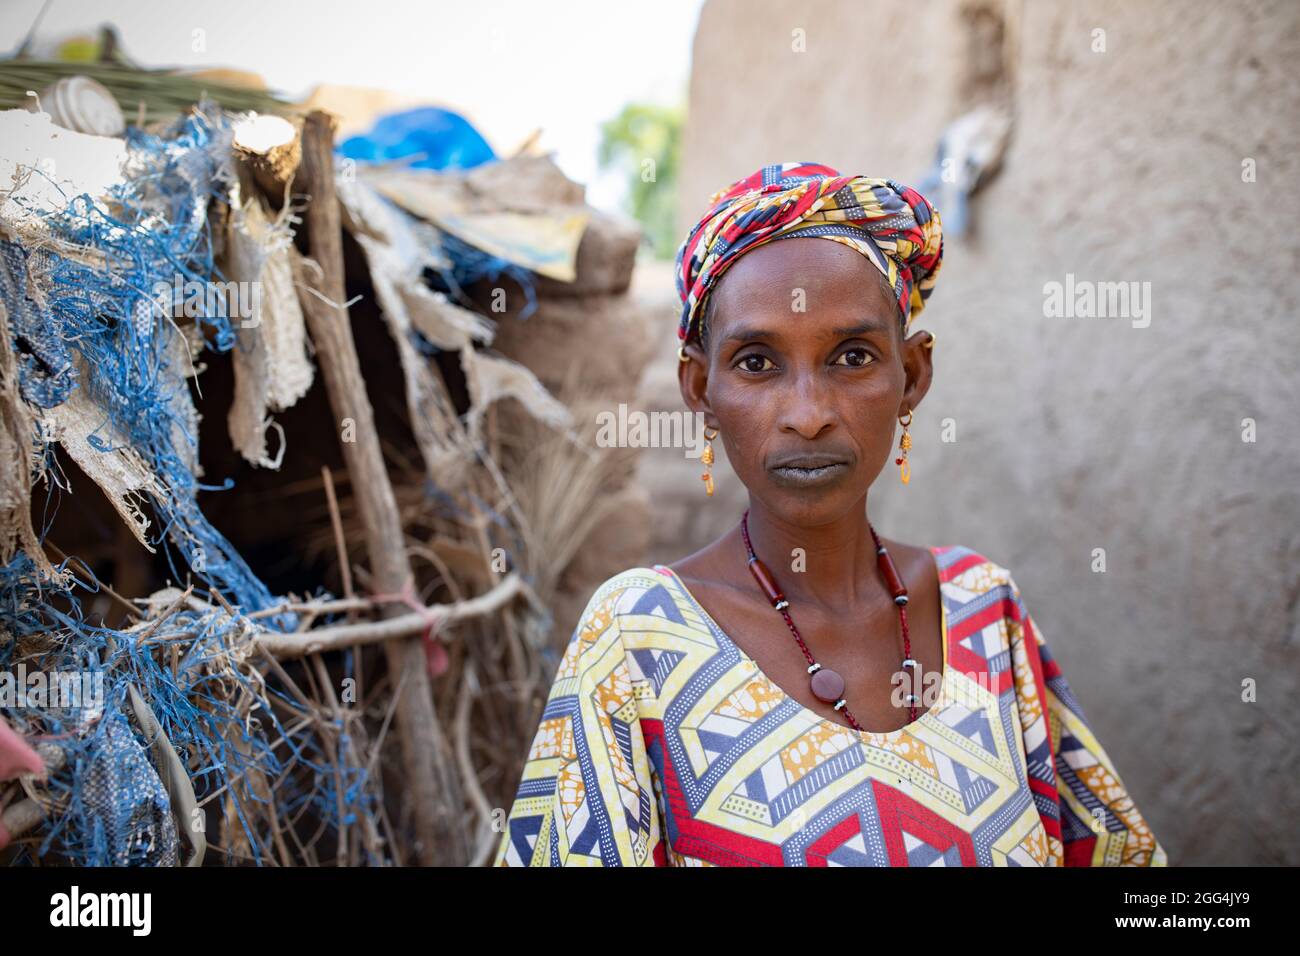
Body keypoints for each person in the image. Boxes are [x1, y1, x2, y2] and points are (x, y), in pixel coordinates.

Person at [493, 162, 1166, 867]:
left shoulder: (982, 609)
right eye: (757, 363)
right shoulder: (639, 640)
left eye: (851, 356)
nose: (809, 415)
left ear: (913, 375)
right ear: (700, 388)